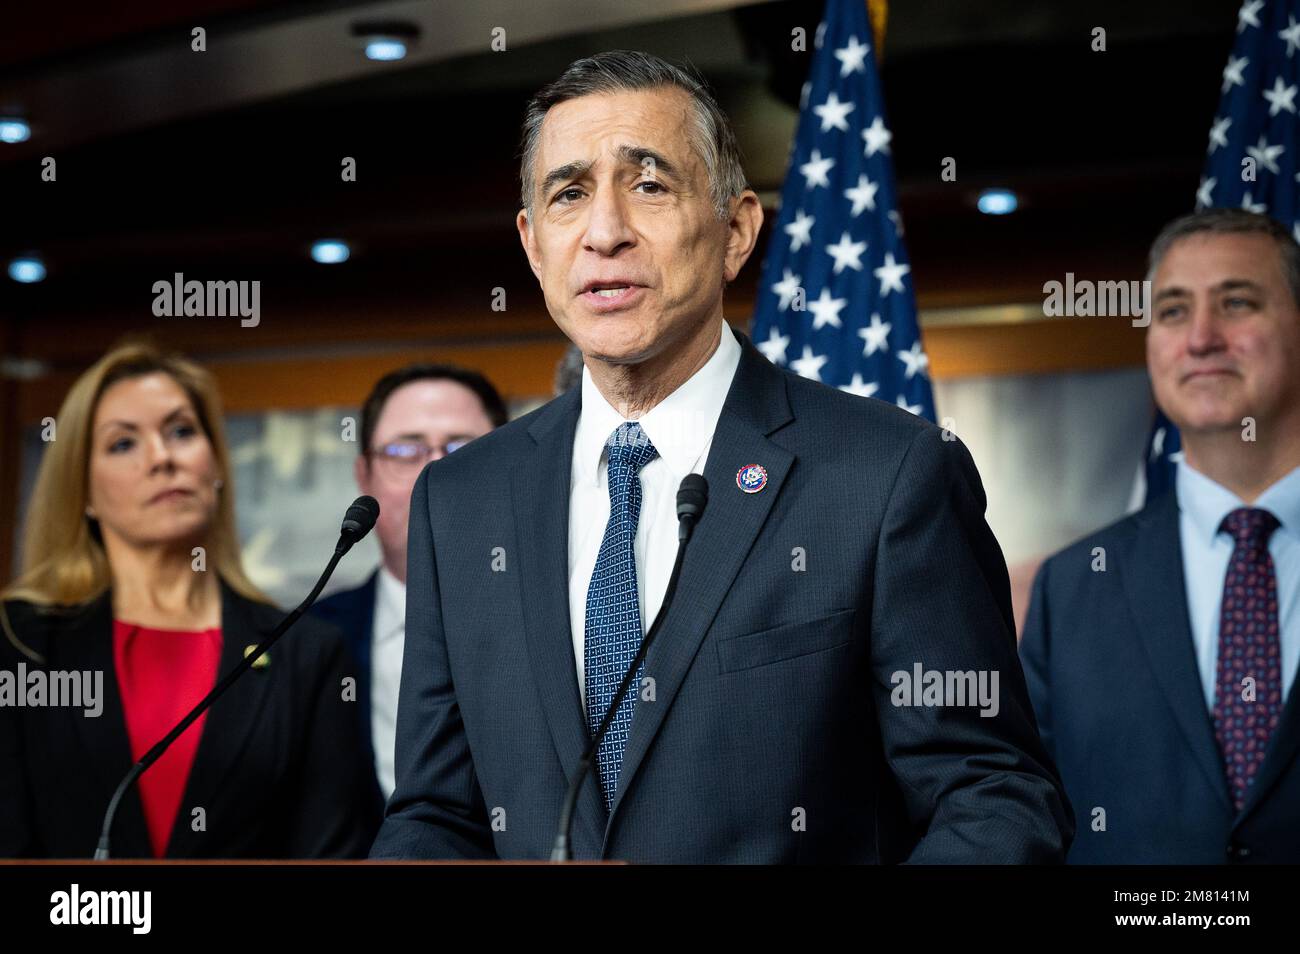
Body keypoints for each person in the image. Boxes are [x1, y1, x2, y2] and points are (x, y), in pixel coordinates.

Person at [371, 50, 1072, 863]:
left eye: (649, 185)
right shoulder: (461, 500)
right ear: (533, 246)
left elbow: (991, 797)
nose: (605, 232)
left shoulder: (888, 475)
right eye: (569, 195)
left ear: (736, 231)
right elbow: (434, 817)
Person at [0, 341, 377, 858]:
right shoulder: (20, 643)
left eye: (181, 431)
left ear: (216, 465)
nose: (163, 458)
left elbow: (330, 856)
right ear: (83, 489)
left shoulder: (306, 653)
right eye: (122, 444)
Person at [1021, 208, 1300, 863]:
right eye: (1173, 311)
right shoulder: (1073, 586)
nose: (1201, 338)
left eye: (1237, 302)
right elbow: (1030, 810)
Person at [311, 364, 505, 802]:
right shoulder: (308, 639)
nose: (436, 475)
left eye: (463, 449)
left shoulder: (566, 619)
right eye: (404, 452)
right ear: (364, 476)